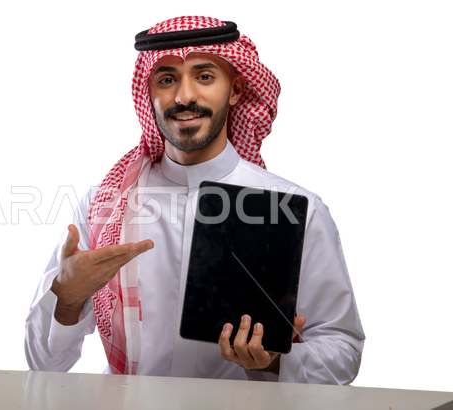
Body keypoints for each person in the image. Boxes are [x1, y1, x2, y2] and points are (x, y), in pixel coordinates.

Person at [23, 14, 366, 384]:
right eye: (167, 79)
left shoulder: (294, 207)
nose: (185, 96)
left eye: (204, 77)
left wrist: (274, 362)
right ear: (148, 92)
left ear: (235, 90)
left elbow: (343, 352)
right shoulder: (105, 204)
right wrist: (69, 298)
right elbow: (44, 366)